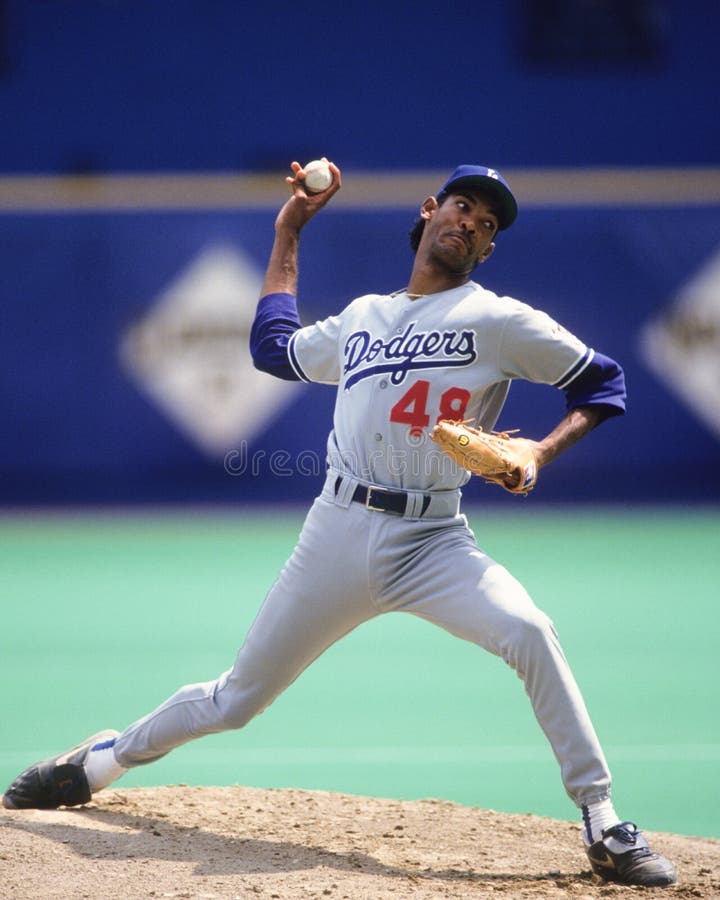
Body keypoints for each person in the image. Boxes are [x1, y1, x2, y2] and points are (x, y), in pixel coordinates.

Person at [3, 160, 676, 888]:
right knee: (235, 701)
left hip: (434, 541)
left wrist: (538, 452)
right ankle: (97, 763)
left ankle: (603, 821)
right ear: (429, 211)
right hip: (338, 529)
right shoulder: (363, 318)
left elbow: (603, 382)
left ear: (487, 251)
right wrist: (288, 231)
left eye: (486, 225)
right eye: (461, 206)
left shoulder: (499, 320)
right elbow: (273, 349)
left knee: (530, 631)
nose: (469, 223)